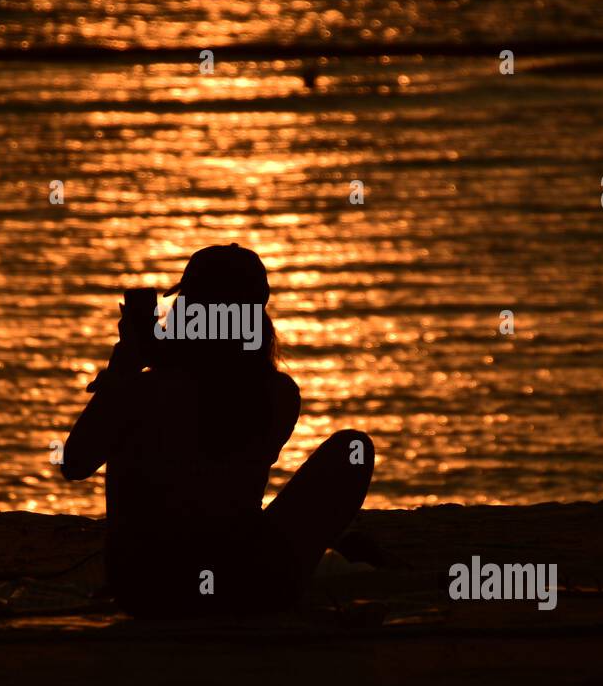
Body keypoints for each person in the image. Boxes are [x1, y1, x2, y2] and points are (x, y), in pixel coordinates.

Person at [63, 244, 375, 618]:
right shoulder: (277, 396)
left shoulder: (139, 392)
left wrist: (125, 367)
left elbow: (74, 462)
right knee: (353, 448)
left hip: (146, 590)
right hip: (245, 584)